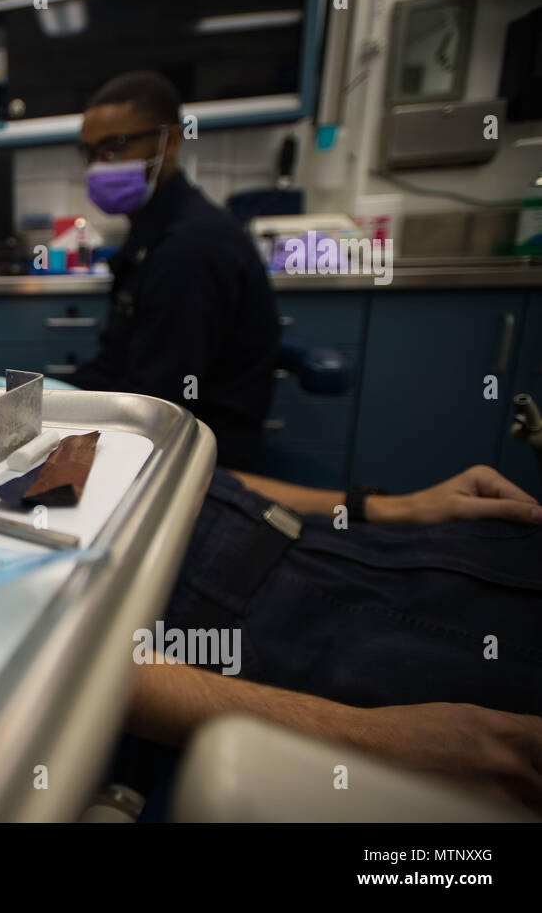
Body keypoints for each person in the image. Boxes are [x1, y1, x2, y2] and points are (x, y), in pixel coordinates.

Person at [124, 462, 542, 816]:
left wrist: (388, 507)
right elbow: (68, 663)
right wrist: (365, 738)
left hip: (340, 537)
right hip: (237, 649)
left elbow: (194, 474)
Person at [69, 71, 279, 471]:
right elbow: (116, 360)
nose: (99, 166)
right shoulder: (152, 234)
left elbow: (160, 400)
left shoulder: (190, 248)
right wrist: (38, 400)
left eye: (115, 146)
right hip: (155, 425)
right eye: (90, 153)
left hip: (199, 456)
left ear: (171, 141)